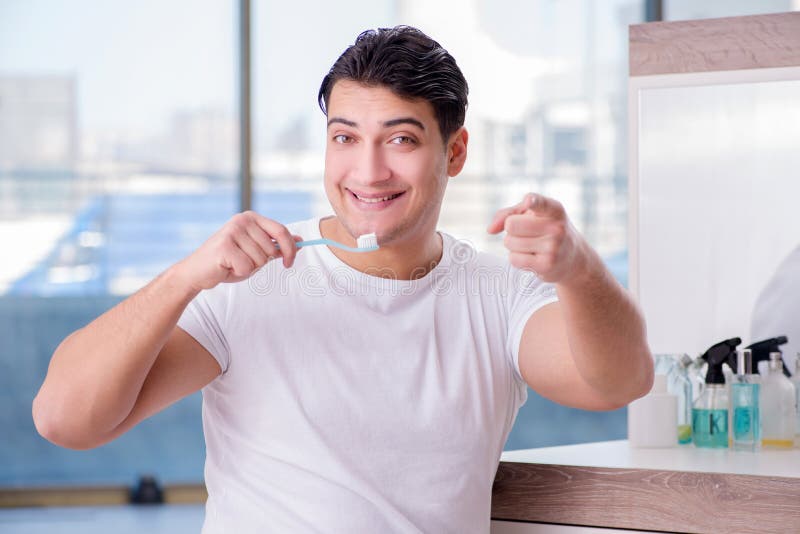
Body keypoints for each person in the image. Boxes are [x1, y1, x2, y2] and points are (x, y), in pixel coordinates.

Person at [33, 26, 653, 533]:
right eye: (345, 138)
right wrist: (182, 280)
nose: (369, 170)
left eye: (401, 139)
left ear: (455, 153)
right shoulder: (249, 281)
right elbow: (65, 421)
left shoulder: (499, 295)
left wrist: (577, 268)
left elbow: (616, 384)